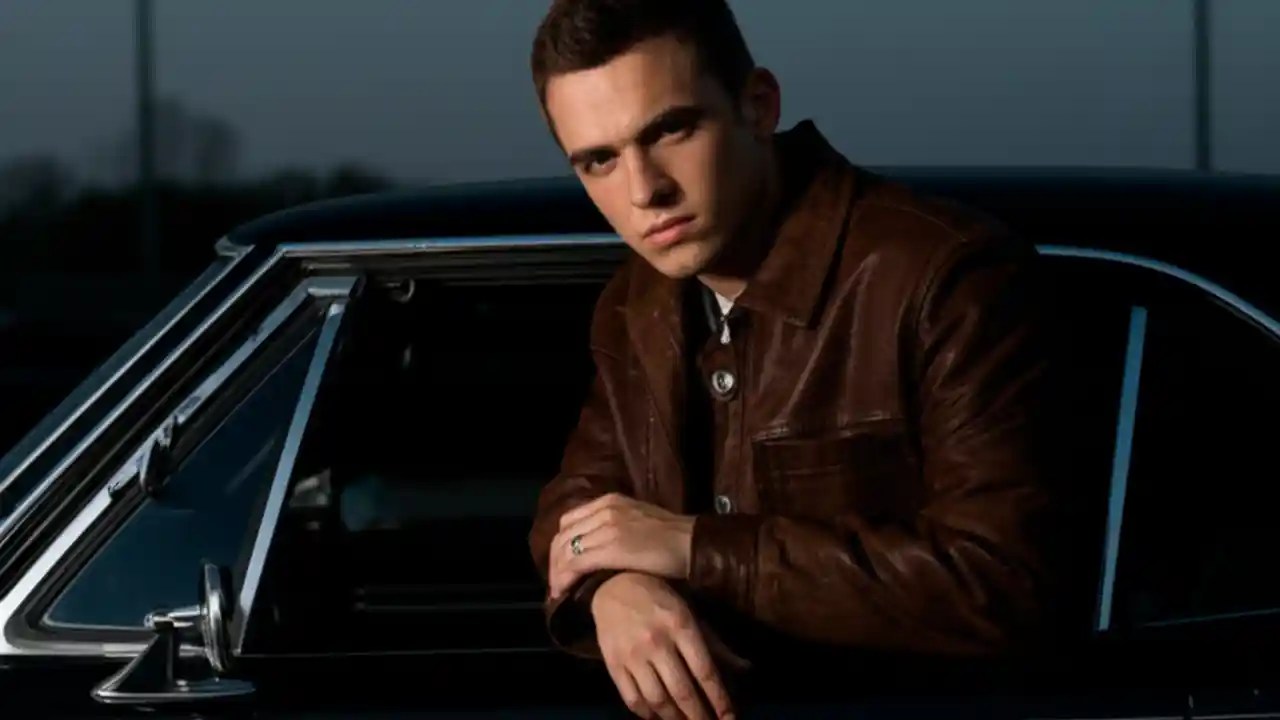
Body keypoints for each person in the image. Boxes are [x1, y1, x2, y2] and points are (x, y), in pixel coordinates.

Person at [526, 1, 1060, 717]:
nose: (643, 190)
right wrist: (612, 589)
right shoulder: (640, 301)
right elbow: (576, 510)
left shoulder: (940, 277)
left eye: (672, 129)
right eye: (599, 160)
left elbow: (1000, 583)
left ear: (758, 106)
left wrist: (691, 550)